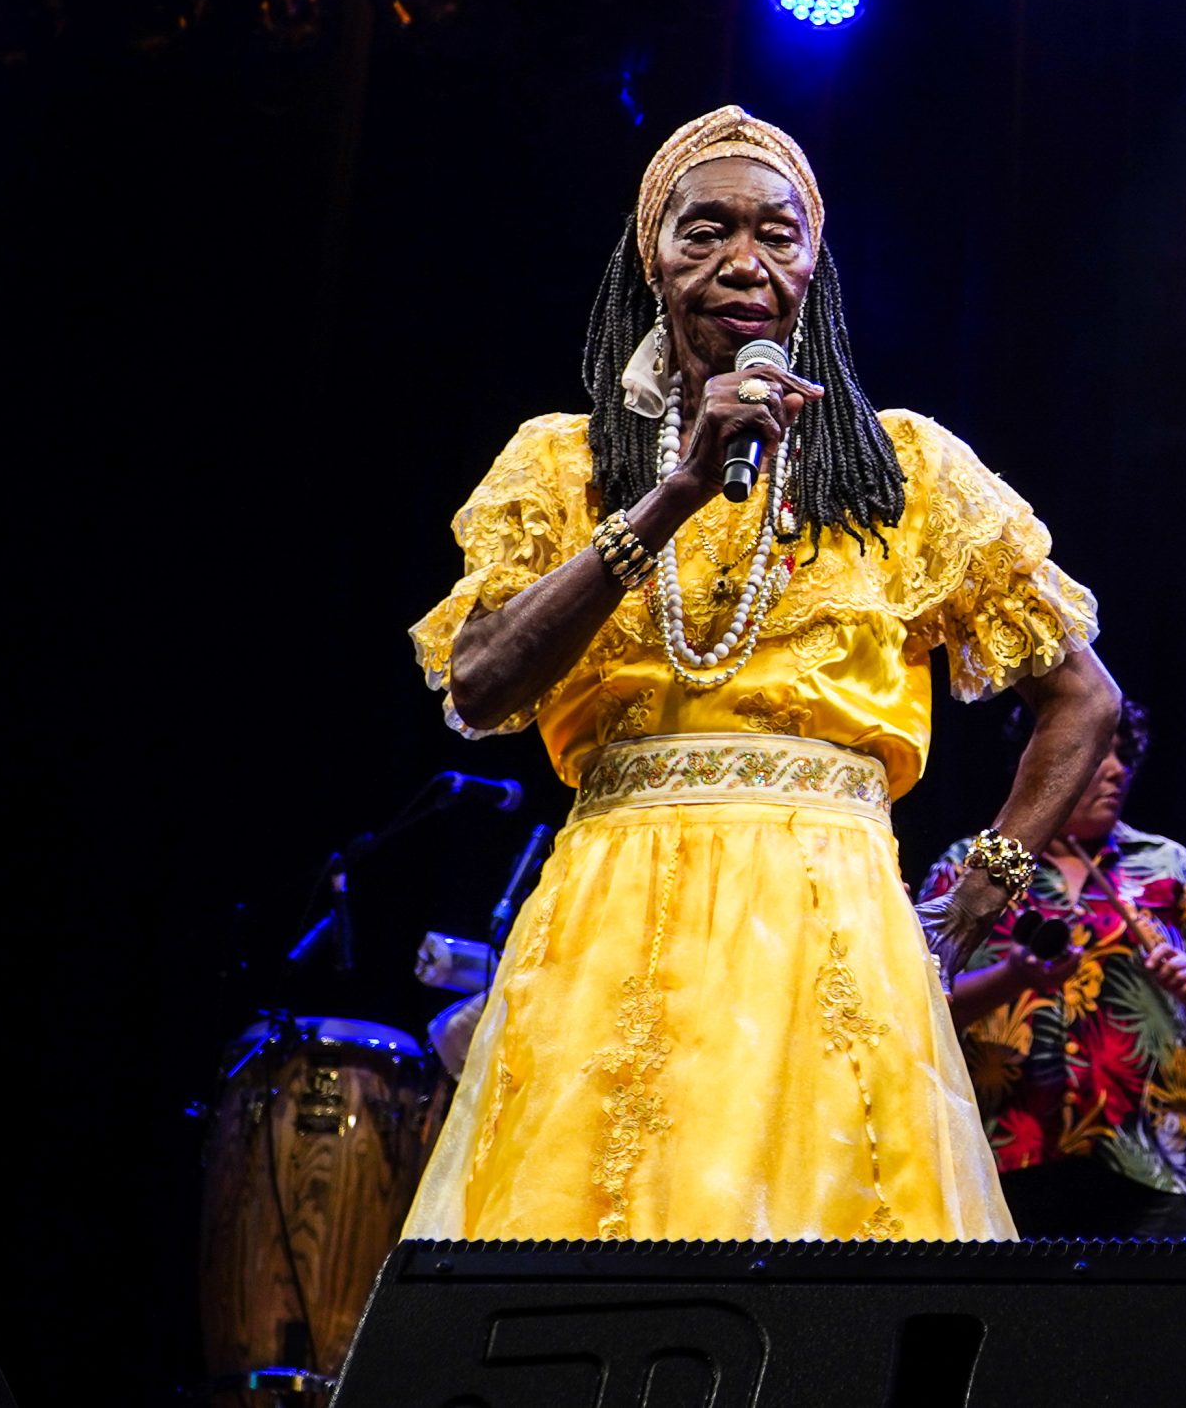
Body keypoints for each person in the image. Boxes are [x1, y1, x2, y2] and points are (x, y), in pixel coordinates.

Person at [404, 105, 1121, 1242]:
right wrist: (674, 493)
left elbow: (1084, 698)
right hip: (610, 916)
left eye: (776, 234)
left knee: (831, 1250)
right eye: (706, 231)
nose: (745, 261)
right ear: (652, 260)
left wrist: (988, 881)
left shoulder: (905, 469)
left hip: (827, 918)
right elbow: (479, 685)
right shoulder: (562, 464)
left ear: (811, 266)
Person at [922, 699, 1186, 1236]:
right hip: (1002, 1159)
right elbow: (918, 1008)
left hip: (1151, 1167)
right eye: (1096, 753)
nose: (1115, 769)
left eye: (1122, 754)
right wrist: (1013, 977)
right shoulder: (971, 869)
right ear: (1043, 759)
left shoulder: (1169, 867)